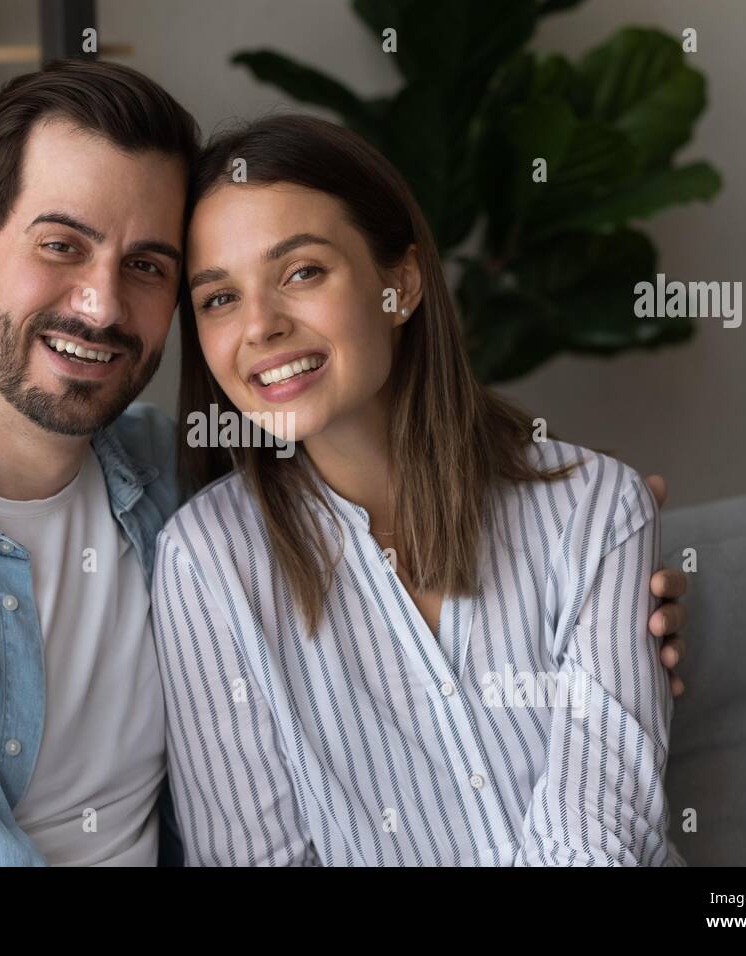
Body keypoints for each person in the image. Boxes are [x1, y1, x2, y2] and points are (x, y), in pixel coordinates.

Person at [0, 60, 687, 866]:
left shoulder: (176, 486)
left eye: (148, 267)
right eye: (60, 245)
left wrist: (594, 562)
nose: (102, 305)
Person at [153, 114, 684, 865]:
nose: (261, 326)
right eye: (218, 299)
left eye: (301, 272)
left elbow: (599, 843)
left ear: (398, 285)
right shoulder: (206, 564)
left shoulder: (595, 508)